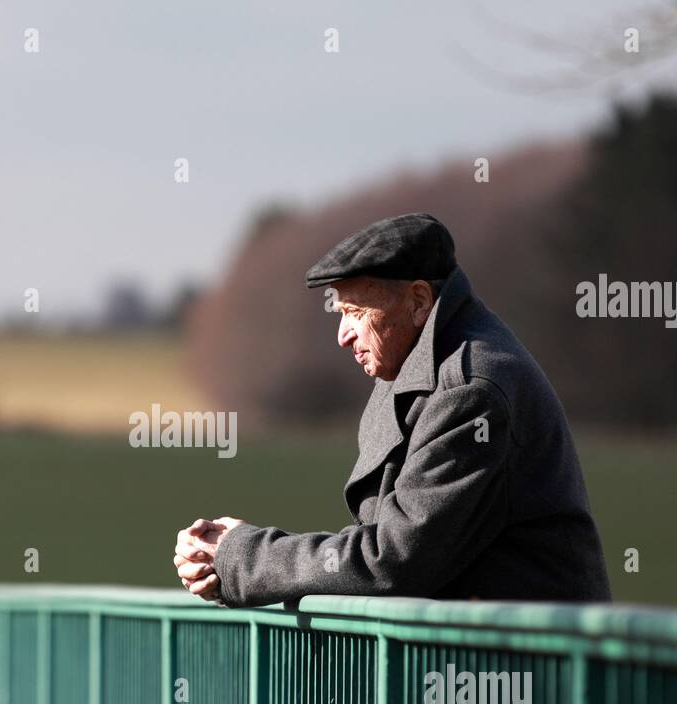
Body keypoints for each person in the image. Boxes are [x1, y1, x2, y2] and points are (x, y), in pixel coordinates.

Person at [173, 212, 611, 607]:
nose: (343, 335)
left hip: (531, 676)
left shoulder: (471, 392)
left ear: (420, 301)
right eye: (340, 312)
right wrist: (229, 558)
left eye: (356, 311)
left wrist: (242, 558)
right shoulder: (415, 368)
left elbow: (392, 561)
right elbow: (382, 546)